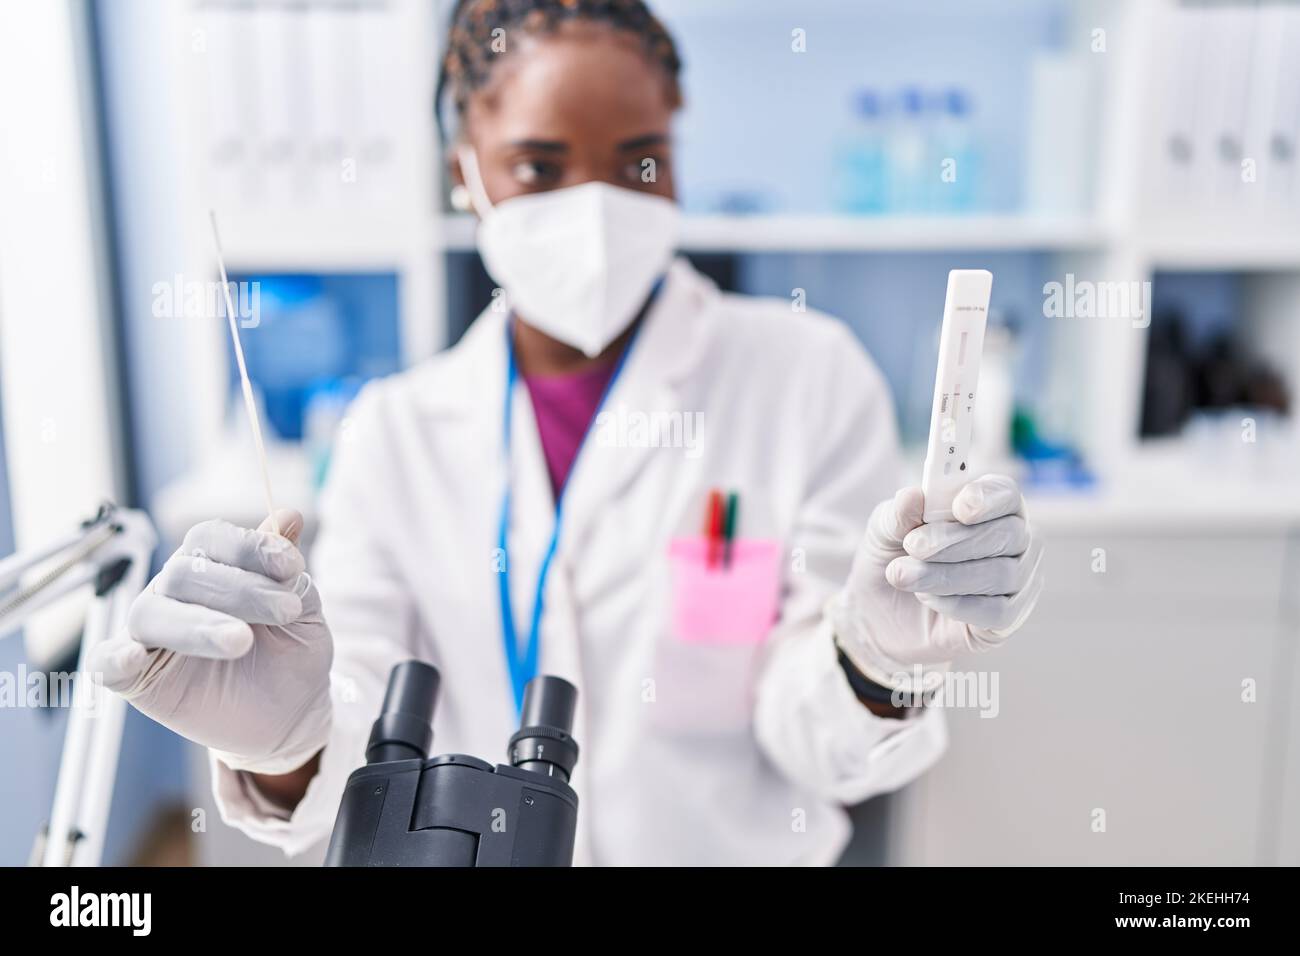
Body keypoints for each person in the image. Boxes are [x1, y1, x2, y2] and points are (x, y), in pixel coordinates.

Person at [91, 0, 1043, 865]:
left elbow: (818, 739)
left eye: (640, 162)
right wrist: (287, 744)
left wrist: (874, 662)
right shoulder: (394, 434)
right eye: (539, 166)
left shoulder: (808, 377)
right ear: (465, 172)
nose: (595, 207)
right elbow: (364, 747)